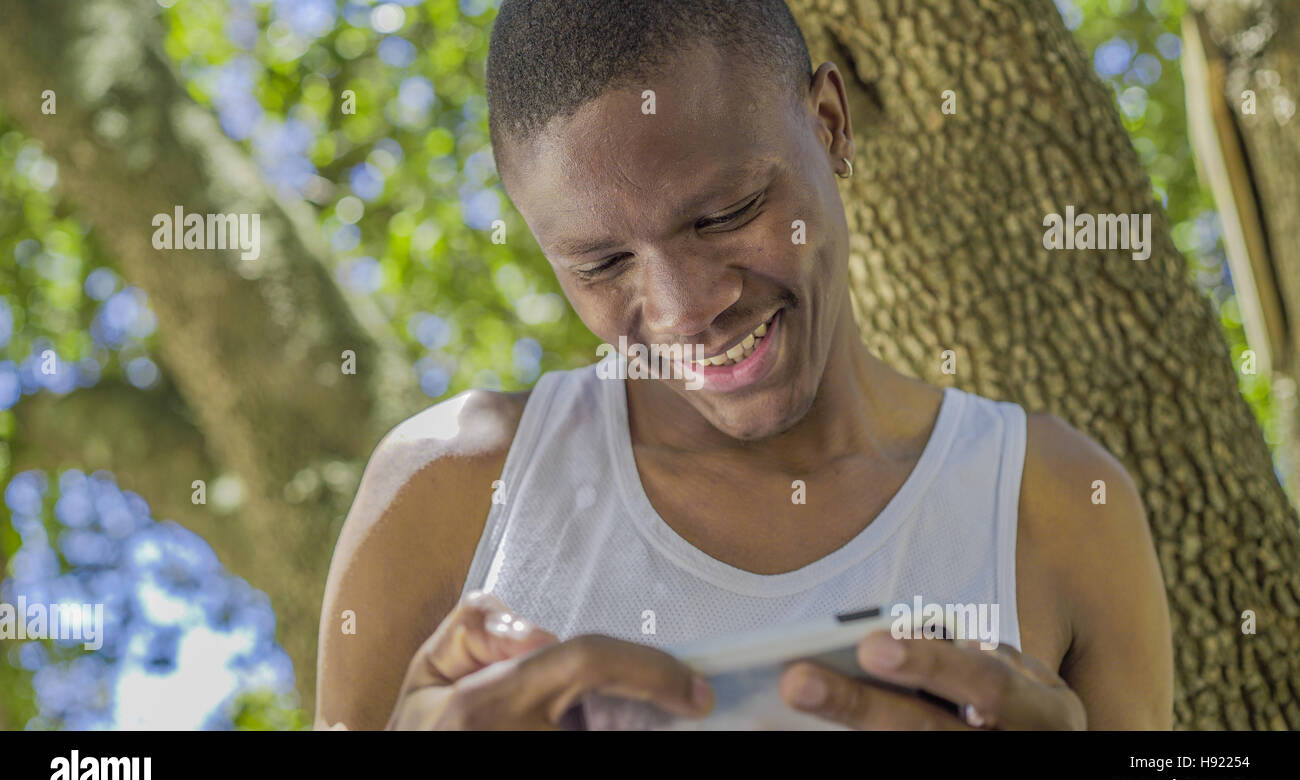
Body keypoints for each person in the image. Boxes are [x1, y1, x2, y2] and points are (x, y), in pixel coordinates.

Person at [315, 0, 1172, 730]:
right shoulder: (449, 487)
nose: (684, 308)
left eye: (727, 213)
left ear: (830, 125)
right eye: (603, 265)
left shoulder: (1055, 502)